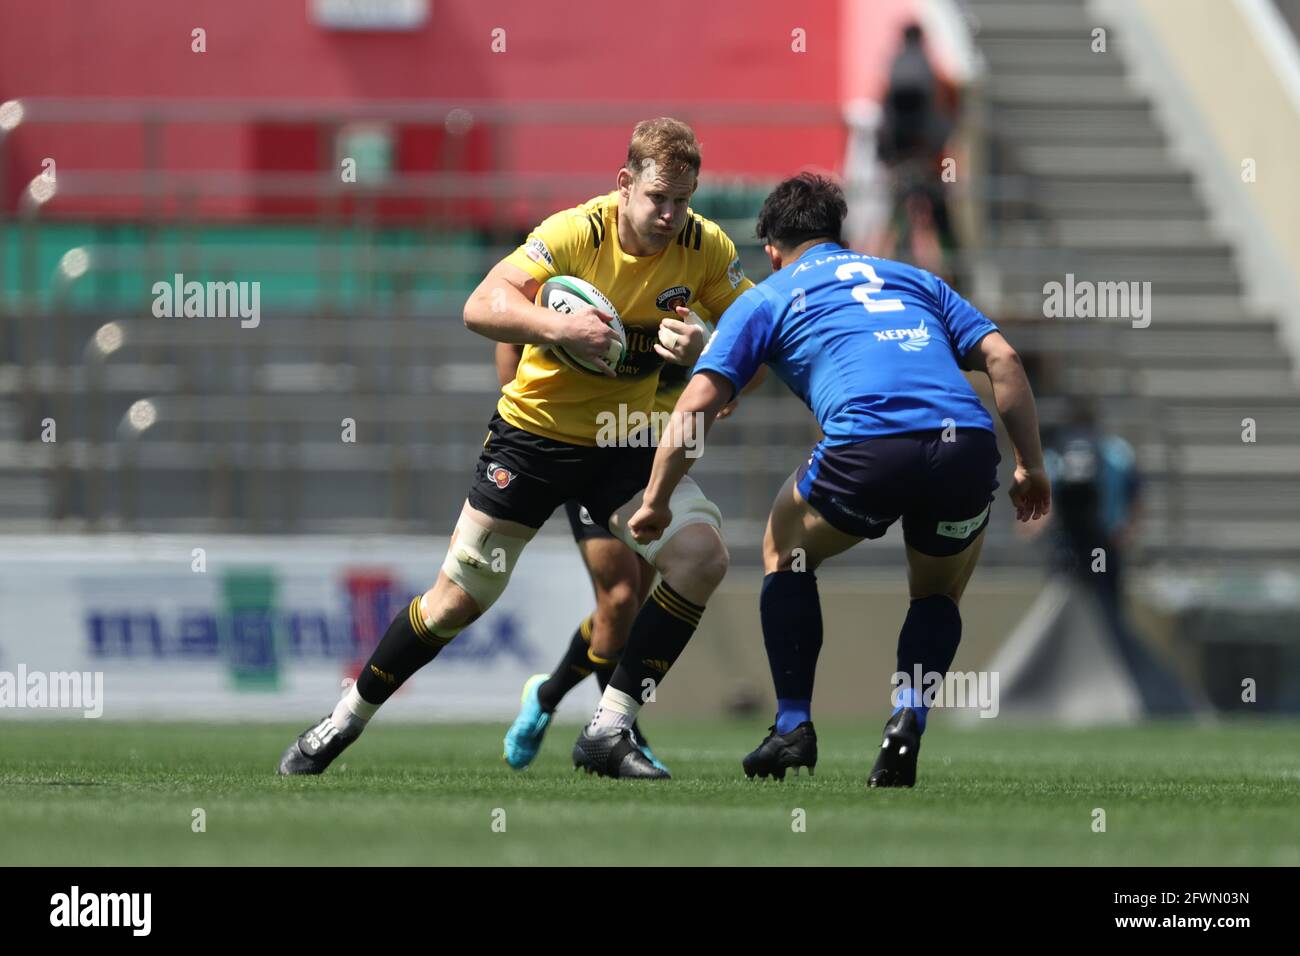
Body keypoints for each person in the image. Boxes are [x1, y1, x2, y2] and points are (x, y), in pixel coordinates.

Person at [277, 117, 753, 779]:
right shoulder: (573, 233)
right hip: (532, 440)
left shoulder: (705, 247)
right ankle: (342, 721)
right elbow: (481, 304)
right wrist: (559, 327)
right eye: (657, 199)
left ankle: (610, 729)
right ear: (624, 185)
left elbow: (760, 337)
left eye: (682, 200)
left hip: (624, 443)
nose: (671, 214)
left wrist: (712, 350)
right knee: (456, 601)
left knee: (699, 560)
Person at [628, 172, 1050, 787]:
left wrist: (657, 499)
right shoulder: (915, 278)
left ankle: (794, 727)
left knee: (784, 548)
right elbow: (1003, 359)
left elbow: (696, 404)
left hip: (867, 445)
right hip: (964, 442)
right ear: (838, 235)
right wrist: (1030, 466)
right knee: (936, 593)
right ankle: (907, 721)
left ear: (771, 248)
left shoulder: (768, 295)